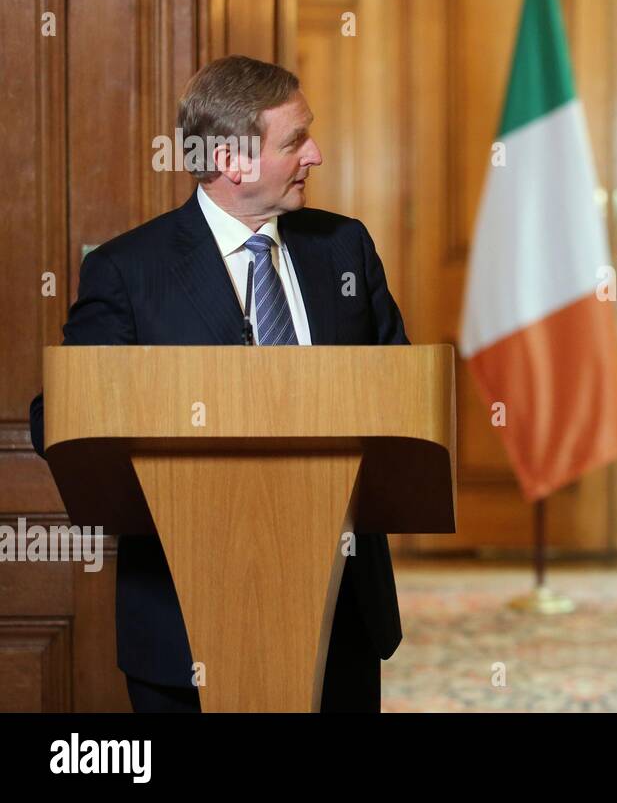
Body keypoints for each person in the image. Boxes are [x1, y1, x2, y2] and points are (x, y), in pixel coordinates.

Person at [28, 55, 406, 712]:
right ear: (233, 160)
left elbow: (399, 388)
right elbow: (58, 415)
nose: (314, 154)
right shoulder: (129, 270)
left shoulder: (345, 247)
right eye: (295, 141)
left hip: (339, 610)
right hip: (184, 622)